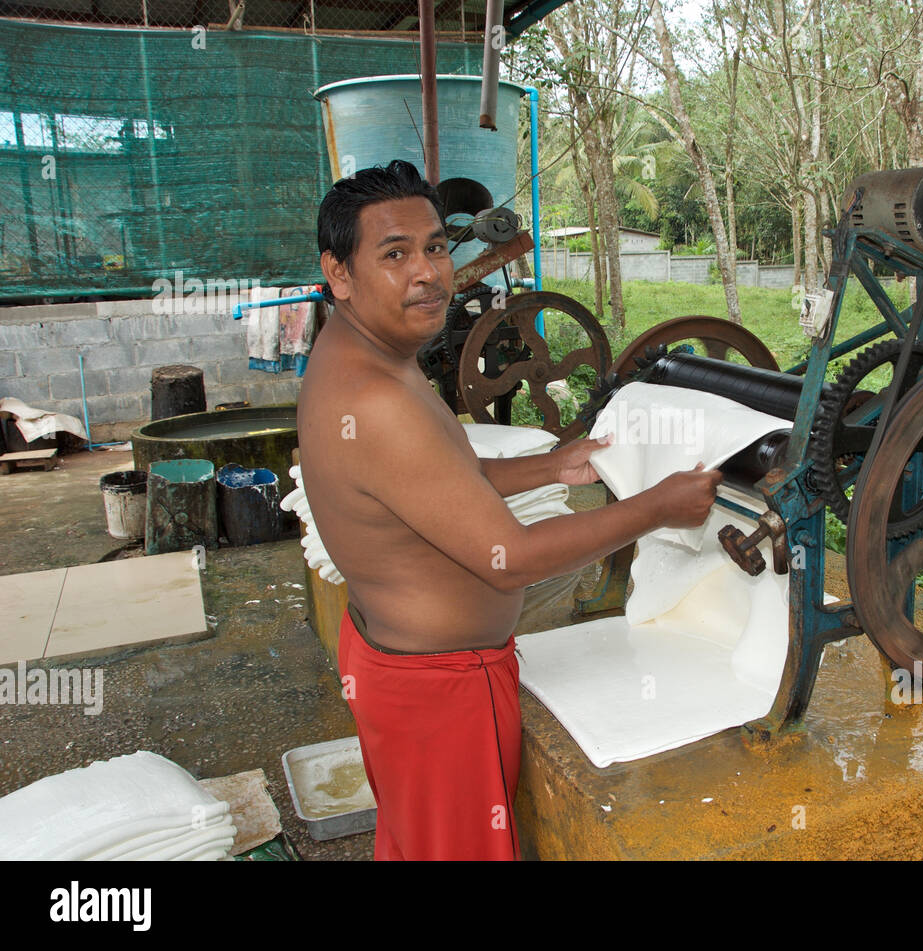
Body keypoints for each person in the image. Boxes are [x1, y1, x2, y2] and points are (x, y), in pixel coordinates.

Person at [296, 160, 722, 860]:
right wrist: (657, 506)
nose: (427, 272)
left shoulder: (359, 353)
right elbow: (512, 561)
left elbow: (438, 476)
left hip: (397, 669)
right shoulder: (377, 402)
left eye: (435, 247)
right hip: (439, 696)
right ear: (339, 273)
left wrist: (552, 464)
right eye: (394, 254)